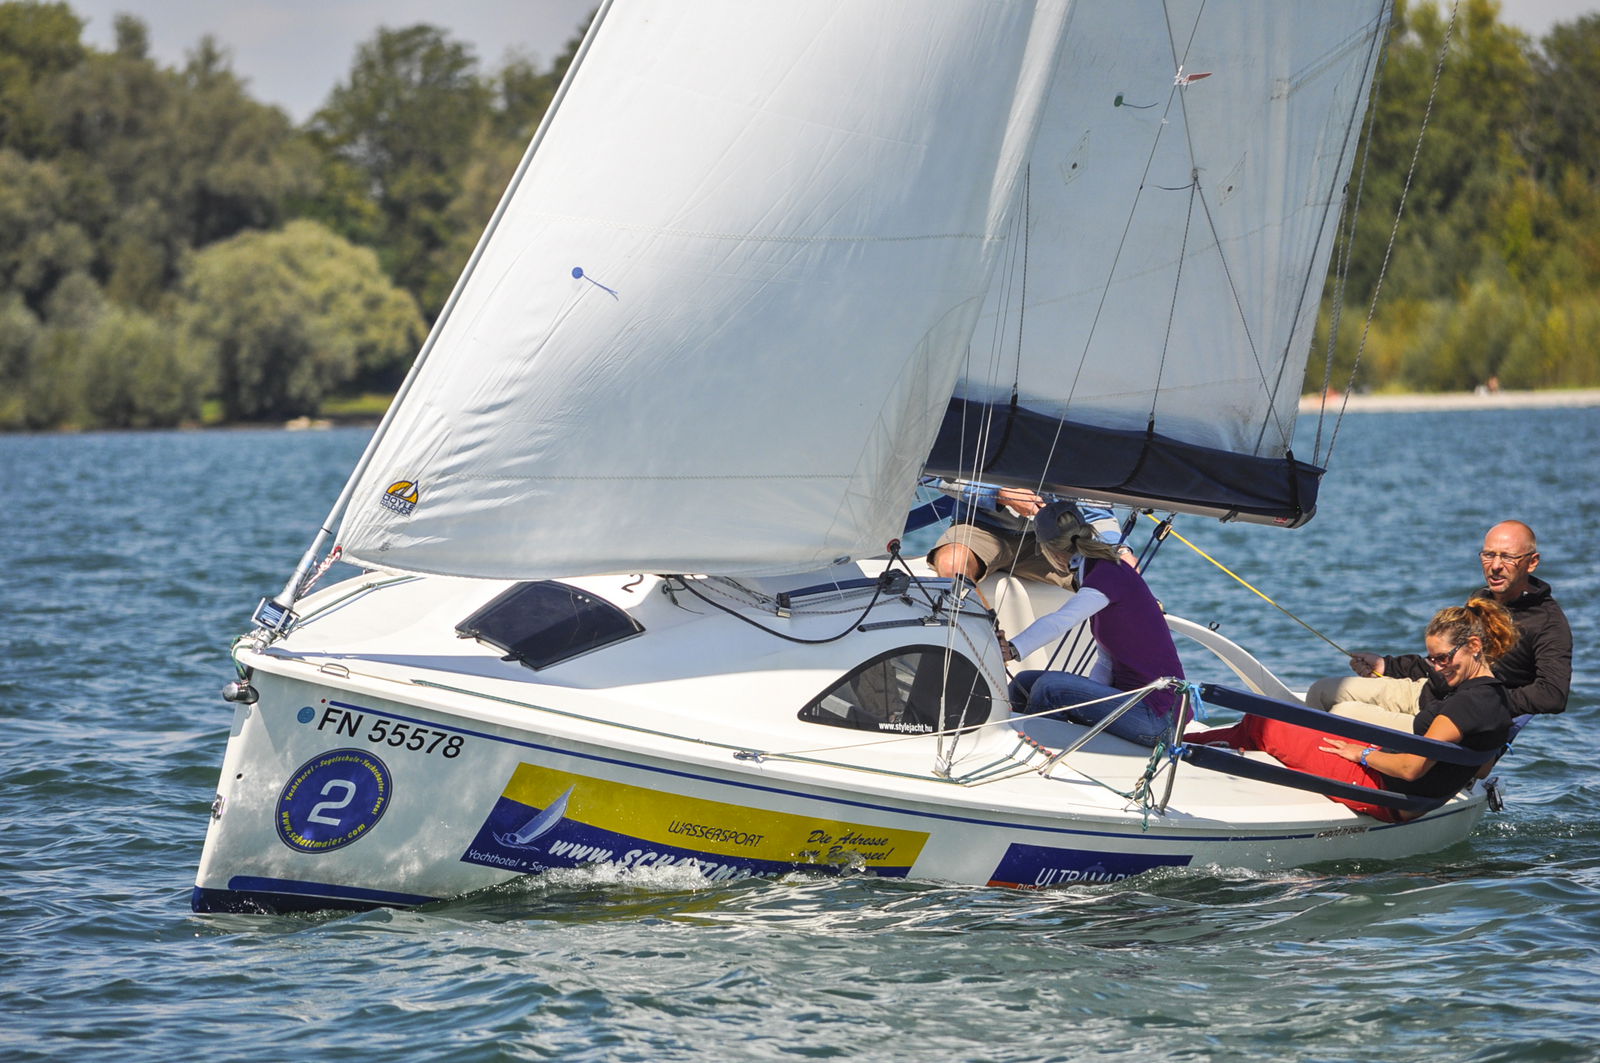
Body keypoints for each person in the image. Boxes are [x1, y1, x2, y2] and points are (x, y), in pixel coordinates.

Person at [1186, 597, 1518, 822]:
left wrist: (1361, 755)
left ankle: (1191, 747)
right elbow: (1482, 768)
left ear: (1474, 646)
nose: (1437, 668)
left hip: (1385, 793)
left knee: (1266, 721)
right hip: (1400, 790)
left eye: (1443, 659)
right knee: (1282, 722)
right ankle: (1211, 742)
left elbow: (1410, 769)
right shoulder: (1499, 700)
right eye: (1432, 660)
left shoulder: (1464, 704)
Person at [1305, 520, 1571, 725]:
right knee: (1320, 691)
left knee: (1343, 712)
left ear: (1532, 562)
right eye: (1488, 555)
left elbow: (1552, 694)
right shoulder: (1481, 599)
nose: (1495, 566)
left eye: (1508, 557)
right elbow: (1446, 659)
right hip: (1426, 692)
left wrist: (1480, 701)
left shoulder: (1548, 623)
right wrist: (1387, 665)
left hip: (1450, 719)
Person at [999, 501, 1187, 747]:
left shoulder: (1107, 575)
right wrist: (1083, 705)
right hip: (1136, 706)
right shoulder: (1098, 569)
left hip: (1159, 719)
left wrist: (1012, 648)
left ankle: (1041, 751)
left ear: (1052, 552)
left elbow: (1061, 621)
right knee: (1026, 682)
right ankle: (1022, 741)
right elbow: (1107, 660)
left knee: (1049, 687)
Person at [922, 477, 1131, 592]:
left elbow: (1099, 515)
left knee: (1116, 578)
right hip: (980, 527)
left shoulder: (1081, 438)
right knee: (952, 564)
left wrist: (1119, 550)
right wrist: (998, 493)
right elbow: (941, 477)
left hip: (1052, 540)